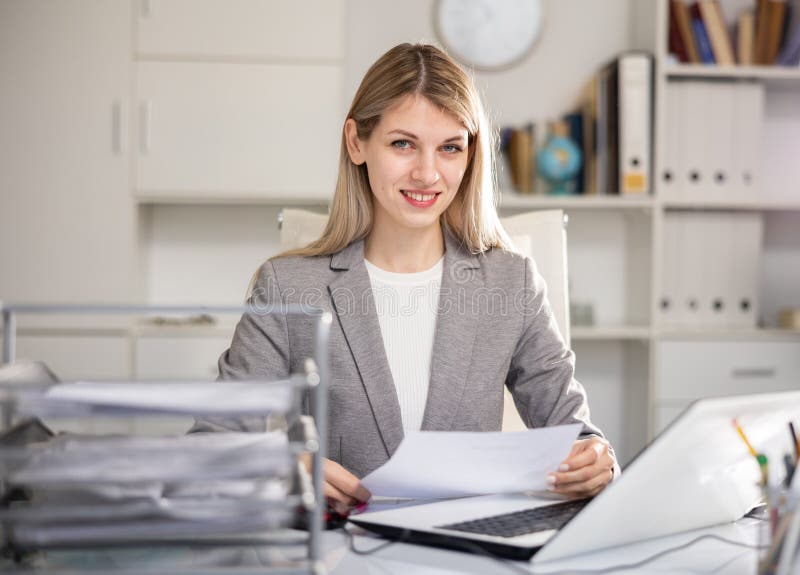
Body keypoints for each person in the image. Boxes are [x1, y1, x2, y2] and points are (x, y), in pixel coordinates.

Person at [193, 43, 618, 515]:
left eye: (450, 148)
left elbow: (576, 433)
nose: (427, 173)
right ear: (357, 143)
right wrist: (279, 466)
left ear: (470, 155)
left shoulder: (510, 282)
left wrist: (596, 459)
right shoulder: (289, 287)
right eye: (402, 144)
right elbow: (212, 445)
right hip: (341, 554)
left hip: (470, 552)